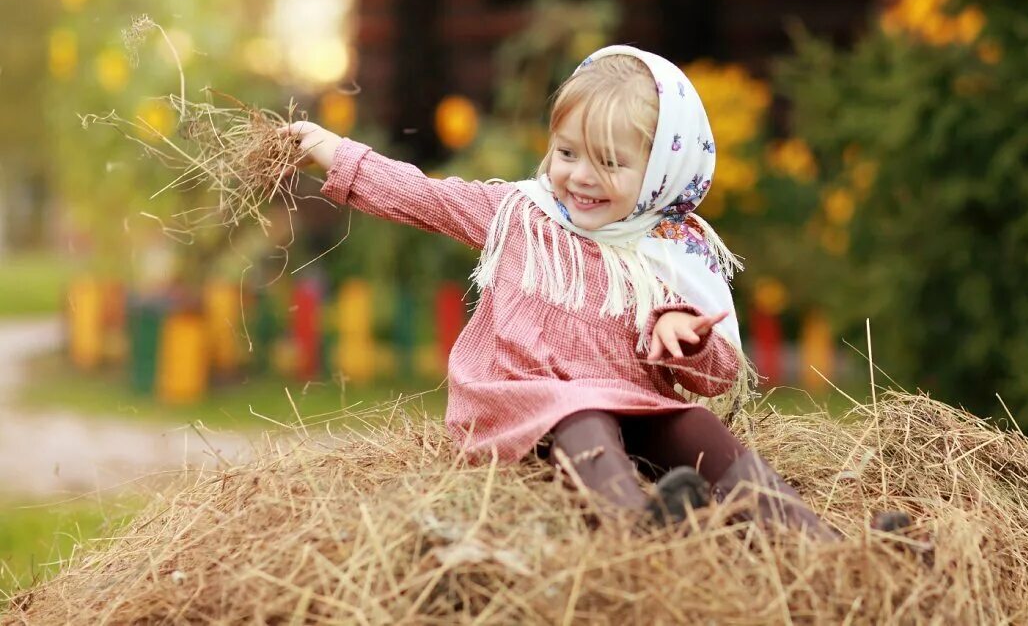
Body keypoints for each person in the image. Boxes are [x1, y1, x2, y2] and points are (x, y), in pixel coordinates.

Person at [284, 45, 839, 538]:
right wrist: (334, 151)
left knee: (694, 423)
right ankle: (634, 527)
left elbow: (717, 377)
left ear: (659, 175)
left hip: (627, 403)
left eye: (610, 163)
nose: (580, 177)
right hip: (521, 399)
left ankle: (814, 541)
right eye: (568, 153)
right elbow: (422, 196)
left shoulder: (673, 250)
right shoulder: (520, 213)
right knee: (580, 410)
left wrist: (683, 335)